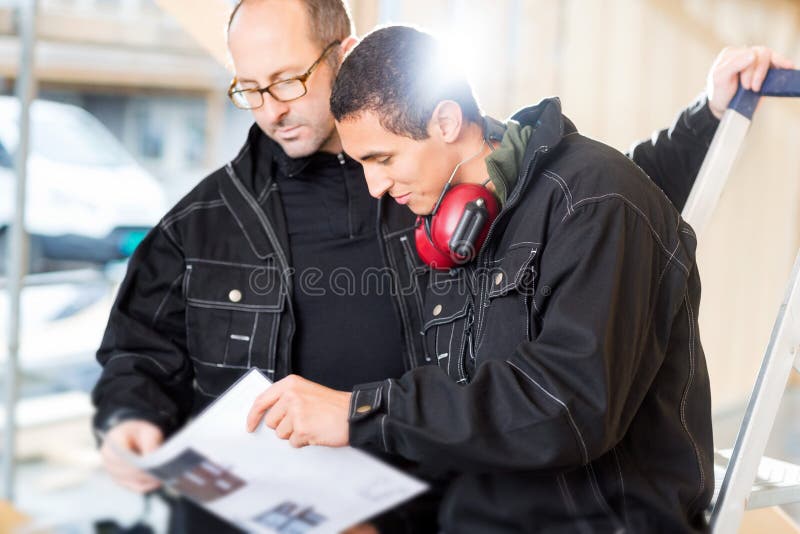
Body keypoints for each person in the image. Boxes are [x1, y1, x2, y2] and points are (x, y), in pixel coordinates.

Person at [91, 0, 792, 531]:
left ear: (343, 53)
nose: (271, 108)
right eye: (249, 88)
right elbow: (139, 350)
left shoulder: (513, 195)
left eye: (287, 80)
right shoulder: (207, 218)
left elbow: (599, 216)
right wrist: (130, 414)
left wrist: (707, 119)